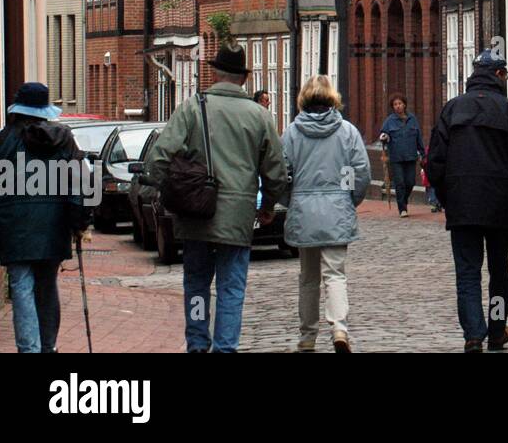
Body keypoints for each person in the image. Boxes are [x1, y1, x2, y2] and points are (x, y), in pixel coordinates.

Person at [147, 44, 287, 353]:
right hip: (237, 216)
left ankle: (197, 343)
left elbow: (158, 158)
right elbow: (276, 172)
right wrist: (267, 207)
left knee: (196, 284)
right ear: (243, 79)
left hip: (195, 212)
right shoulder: (259, 115)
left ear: (215, 73)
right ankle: (226, 347)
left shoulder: (192, 108)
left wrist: (167, 193)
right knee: (231, 287)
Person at [426, 50, 508, 352]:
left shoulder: (452, 109)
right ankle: (496, 328)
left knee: (467, 272)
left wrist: (445, 196)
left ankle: (473, 334)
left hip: (462, 205)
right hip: (501, 205)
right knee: (499, 270)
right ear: (499, 76)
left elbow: (435, 161)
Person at [281, 75, 370, 353]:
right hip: (336, 210)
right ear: (332, 97)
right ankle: (339, 328)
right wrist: (348, 199)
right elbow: (359, 172)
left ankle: (307, 336)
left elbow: (282, 174)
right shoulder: (346, 132)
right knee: (335, 274)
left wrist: (292, 199)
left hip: (304, 212)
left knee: (308, 277)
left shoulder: (292, 133)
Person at [0, 83, 89, 353]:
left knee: (21, 287)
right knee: (47, 286)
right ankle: (47, 347)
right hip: (53, 226)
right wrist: (80, 223)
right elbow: (79, 185)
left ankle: (30, 349)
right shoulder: (64, 140)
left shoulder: (4, 141)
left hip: (12, 226)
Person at [379, 94, 427, 216]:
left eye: (399, 104)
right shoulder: (390, 121)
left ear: (404, 104)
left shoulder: (412, 119)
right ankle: (402, 209)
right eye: (395, 104)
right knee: (399, 182)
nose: (398, 106)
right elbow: (384, 134)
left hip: (411, 156)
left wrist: (422, 153)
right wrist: (384, 137)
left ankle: (403, 201)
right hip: (396, 157)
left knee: (410, 182)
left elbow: (418, 137)